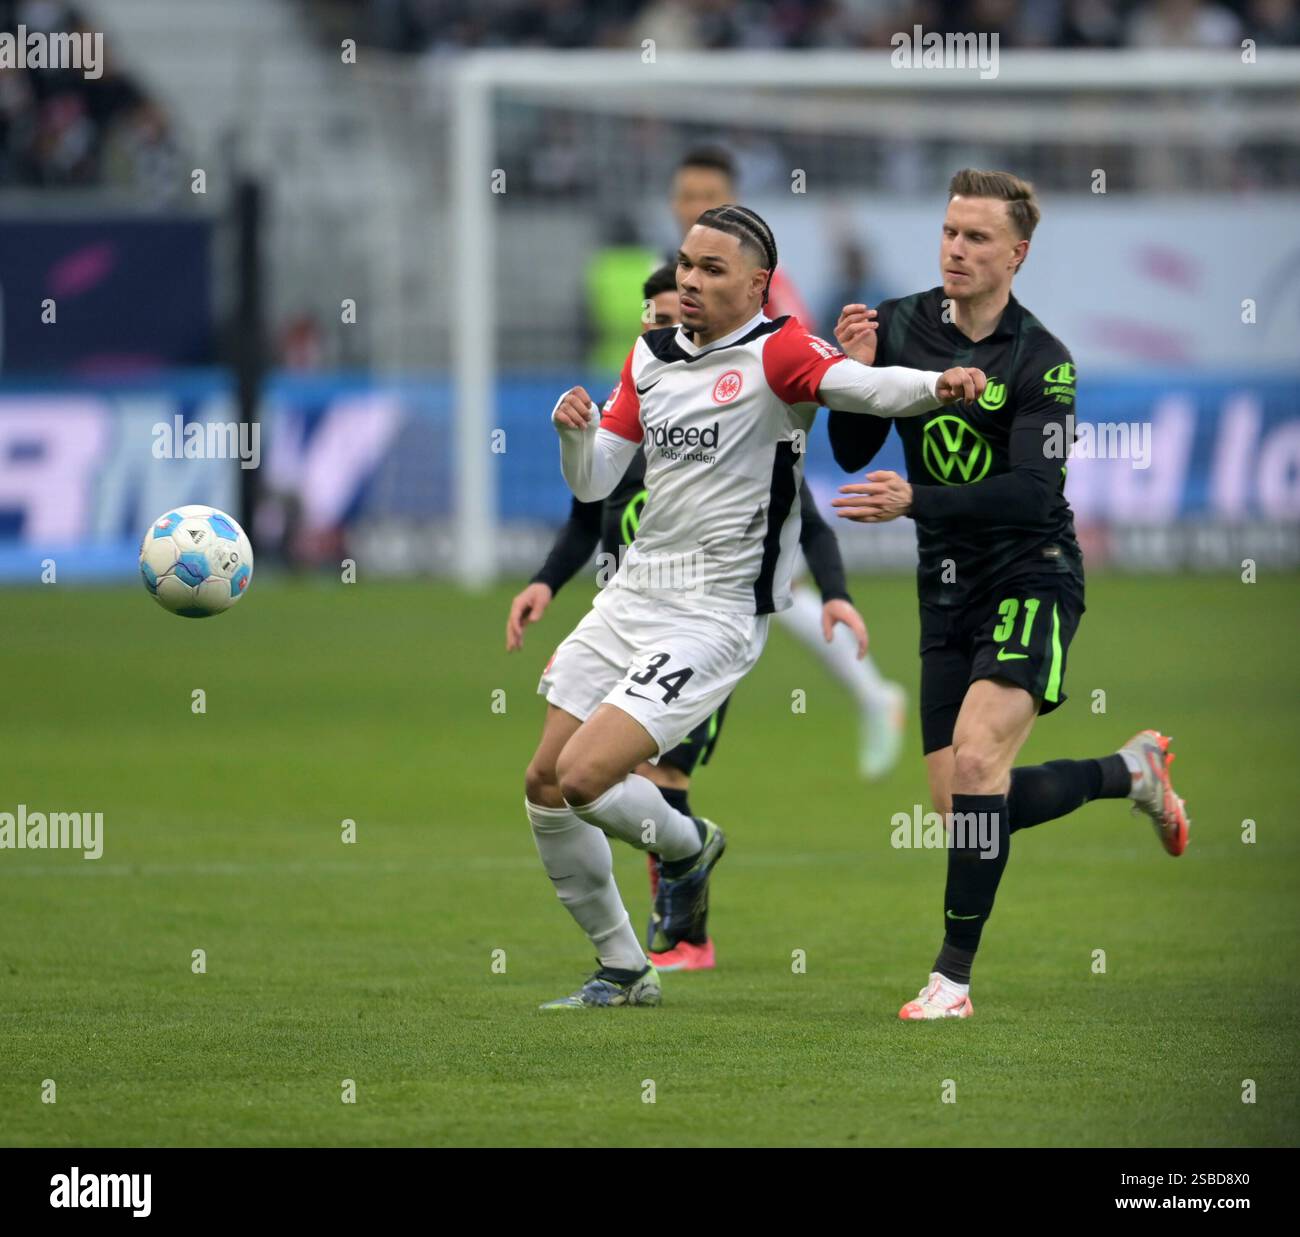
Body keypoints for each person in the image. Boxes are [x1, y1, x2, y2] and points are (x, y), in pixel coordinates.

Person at [523, 203, 985, 1009]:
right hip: (632, 593)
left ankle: (688, 844)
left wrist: (937, 386)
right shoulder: (652, 354)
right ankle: (625, 968)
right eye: (686, 265)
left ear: (757, 285)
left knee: (586, 776)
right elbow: (596, 481)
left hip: (715, 613)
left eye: (711, 271)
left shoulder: (780, 353)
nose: (691, 282)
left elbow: (866, 388)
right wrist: (577, 435)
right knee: (541, 782)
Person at [827, 169, 1190, 1021]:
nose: (956, 248)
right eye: (950, 231)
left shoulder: (1045, 362)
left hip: (1032, 571)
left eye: (977, 237)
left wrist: (917, 498)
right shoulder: (900, 323)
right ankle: (1127, 771)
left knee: (983, 765)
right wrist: (857, 371)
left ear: (1016, 254)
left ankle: (951, 978)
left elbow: (1035, 491)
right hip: (942, 586)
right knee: (965, 805)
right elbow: (849, 450)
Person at [509, 264, 870, 973]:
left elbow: (809, 520)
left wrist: (836, 592)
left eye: (672, 315)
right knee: (554, 779)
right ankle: (640, 945)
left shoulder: (731, 434)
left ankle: (684, 928)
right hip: (624, 616)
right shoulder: (629, 421)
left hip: (700, 624)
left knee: (657, 772)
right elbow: (585, 517)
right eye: (651, 316)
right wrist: (545, 583)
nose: (660, 327)